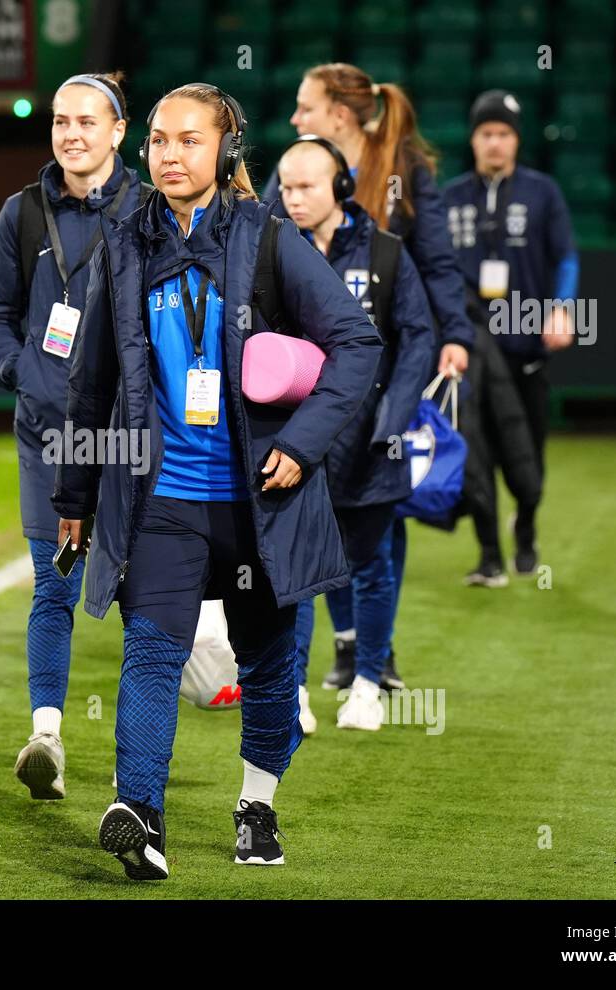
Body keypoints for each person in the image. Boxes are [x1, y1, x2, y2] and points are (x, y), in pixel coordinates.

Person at [53, 84, 381, 879]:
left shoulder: (270, 238)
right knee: (151, 654)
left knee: (268, 666)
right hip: (160, 500)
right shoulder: (124, 240)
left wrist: (302, 445)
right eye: (159, 141)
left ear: (226, 149)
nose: (168, 155)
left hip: (259, 501)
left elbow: (357, 344)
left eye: (188, 141)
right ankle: (141, 811)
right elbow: (90, 380)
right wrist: (71, 498)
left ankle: (257, 808)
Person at [264, 62, 473, 696]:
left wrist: (454, 333)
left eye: (306, 107)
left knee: (379, 515)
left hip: (386, 363)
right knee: (317, 520)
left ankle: (374, 657)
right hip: (314, 381)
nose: (297, 117)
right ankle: (348, 648)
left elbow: (432, 260)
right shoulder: (293, 181)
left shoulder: (405, 170)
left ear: (340, 113)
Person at [0, 72, 145, 801]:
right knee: (54, 586)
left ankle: (138, 753)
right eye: (58, 121)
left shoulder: (149, 210)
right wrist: (28, 375)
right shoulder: (21, 214)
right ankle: (46, 735)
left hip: (131, 439)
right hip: (48, 436)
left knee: (147, 594)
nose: (70, 133)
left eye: (85, 121)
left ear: (117, 132)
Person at [276, 135, 435, 730]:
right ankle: (290, 692)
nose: (292, 198)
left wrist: (394, 416)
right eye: (287, 187)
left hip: (372, 440)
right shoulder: (271, 253)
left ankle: (367, 683)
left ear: (340, 187)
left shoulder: (388, 254)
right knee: (294, 574)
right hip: (296, 440)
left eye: (307, 187)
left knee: (371, 567)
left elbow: (418, 336)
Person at [442, 89, 578, 584]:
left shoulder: (543, 193)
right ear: (474, 140)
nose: (494, 143)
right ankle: (488, 556)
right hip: (473, 350)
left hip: (525, 349)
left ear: (515, 141)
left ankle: (526, 526)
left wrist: (562, 308)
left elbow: (565, 256)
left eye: (503, 134)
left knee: (528, 455)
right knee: (476, 451)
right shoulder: (450, 196)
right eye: (486, 134)